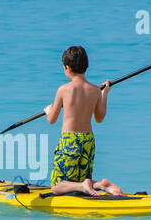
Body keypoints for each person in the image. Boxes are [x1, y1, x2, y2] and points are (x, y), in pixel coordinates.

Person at [43, 45, 124, 197]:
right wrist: (105, 94)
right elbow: (99, 118)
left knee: (56, 186)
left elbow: (52, 119)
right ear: (86, 67)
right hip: (88, 140)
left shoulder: (63, 89)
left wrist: (49, 111)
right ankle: (100, 185)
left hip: (70, 140)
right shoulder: (95, 90)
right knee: (82, 178)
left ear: (67, 68)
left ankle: (83, 185)